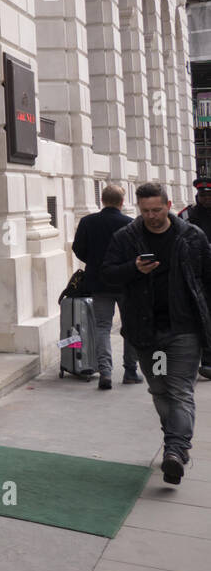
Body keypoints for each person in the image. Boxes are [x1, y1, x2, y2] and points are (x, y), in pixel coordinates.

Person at [101, 181, 211, 485]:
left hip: (183, 329)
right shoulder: (126, 237)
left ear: (168, 204)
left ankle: (175, 450)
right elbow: (107, 274)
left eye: (157, 209)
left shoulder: (191, 236)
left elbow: (207, 280)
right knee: (159, 390)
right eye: (145, 210)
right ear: (138, 208)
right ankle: (174, 441)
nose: (151, 216)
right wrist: (134, 268)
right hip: (146, 331)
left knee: (180, 390)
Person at [70, 184, 141, 388]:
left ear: (102, 200)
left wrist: (93, 262)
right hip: (126, 282)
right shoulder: (130, 223)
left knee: (102, 327)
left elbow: (78, 249)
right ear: (122, 202)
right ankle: (130, 371)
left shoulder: (87, 222)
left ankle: (105, 372)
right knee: (130, 327)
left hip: (99, 281)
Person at [176, 178, 211, 382]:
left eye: (209, 195)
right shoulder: (187, 215)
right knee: (200, 317)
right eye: (203, 195)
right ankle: (204, 360)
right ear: (197, 196)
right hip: (194, 275)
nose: (206, 199)